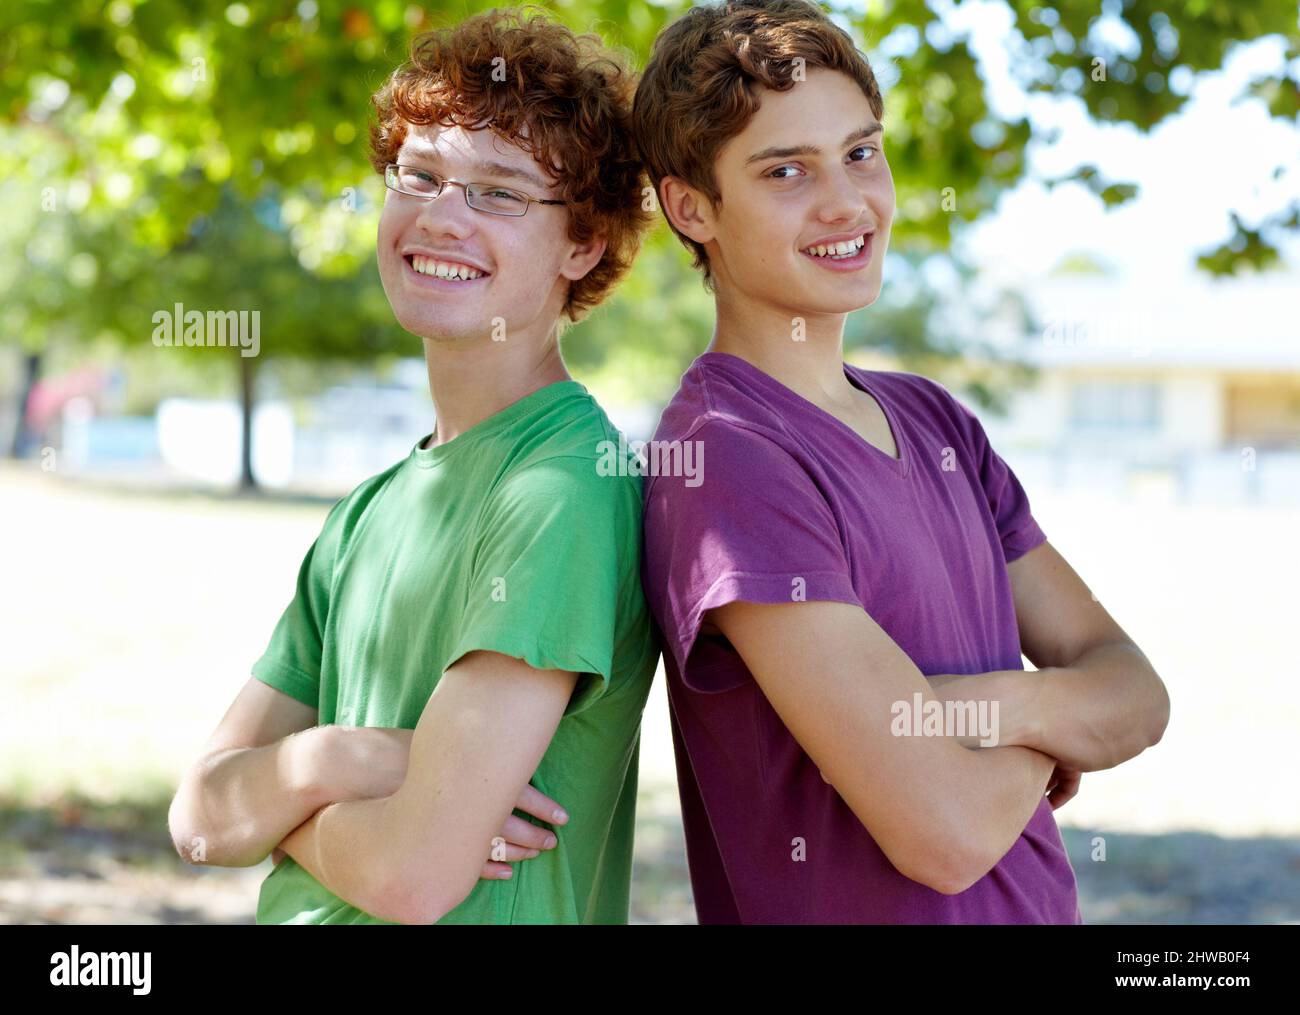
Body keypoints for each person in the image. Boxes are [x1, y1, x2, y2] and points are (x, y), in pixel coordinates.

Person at [632, 0, 1170, 923]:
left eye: (860, 152)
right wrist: (1051, 717)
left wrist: (966, 710)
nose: (847, 202)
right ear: (692, 207)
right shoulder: (725, 457)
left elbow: (1135, 690)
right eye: (786, 171)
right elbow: (946, 832)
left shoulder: (937, 422)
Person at [168, 7, 658, 924]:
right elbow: (197, 815)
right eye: (420, 174)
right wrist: (339, 760)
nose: (441, 216)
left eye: (500, 193)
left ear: (584, 243)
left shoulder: (563, 488)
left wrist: (281, 815)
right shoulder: (366, 512)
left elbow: (413, 875)